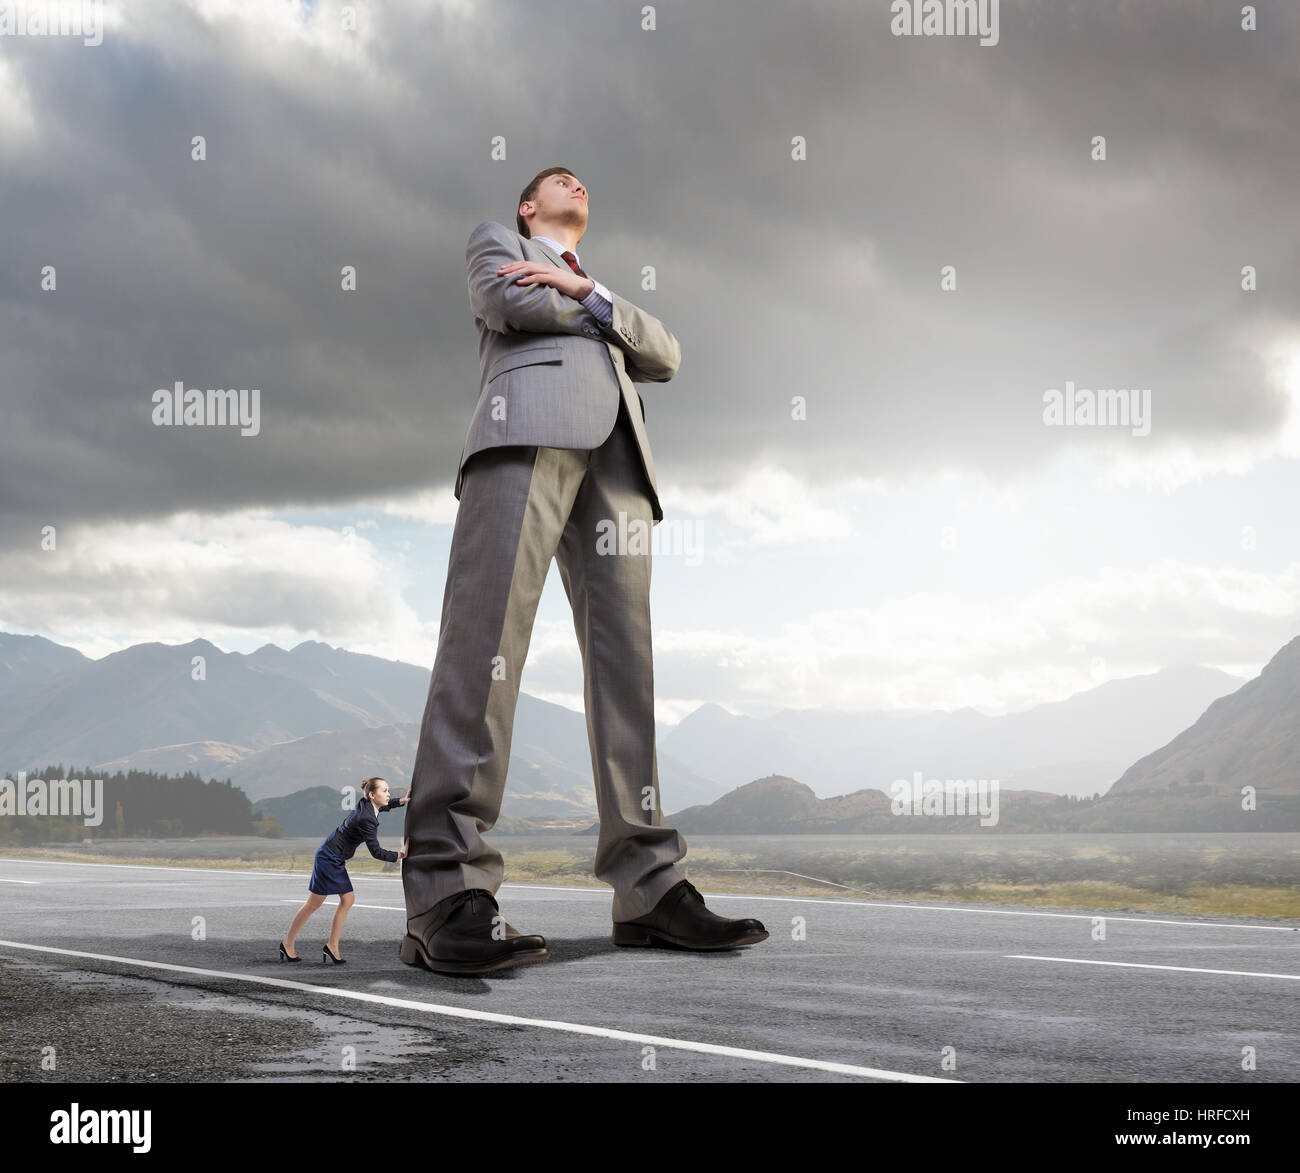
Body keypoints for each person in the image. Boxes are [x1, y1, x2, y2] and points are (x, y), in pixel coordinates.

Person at [398, 167, 768, 976]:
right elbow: (507, 302)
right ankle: (444, 890)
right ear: (529, 208)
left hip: (621, 470)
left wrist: (591, 295)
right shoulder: (494, 242)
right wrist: (598, 317)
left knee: (627, 671)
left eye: (583, 181)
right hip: (522, 431)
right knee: (485, 644)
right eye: (555, 180)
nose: (576, 183)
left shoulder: (594, 288)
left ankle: (648, 885)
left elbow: (665, 353)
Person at [279, 777, 408, 964]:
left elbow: (384, 806)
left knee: (320, 902)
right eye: (385, 791)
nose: (389, 794)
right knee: (334, 901)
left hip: (331, 855)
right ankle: (311, 945)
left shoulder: (366, 804)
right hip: (329, 858)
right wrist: (400, 855)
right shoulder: (367, 819)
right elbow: (376, 852)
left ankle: (303, 944)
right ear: (372, 795)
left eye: (388, 791)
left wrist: (401, 801)